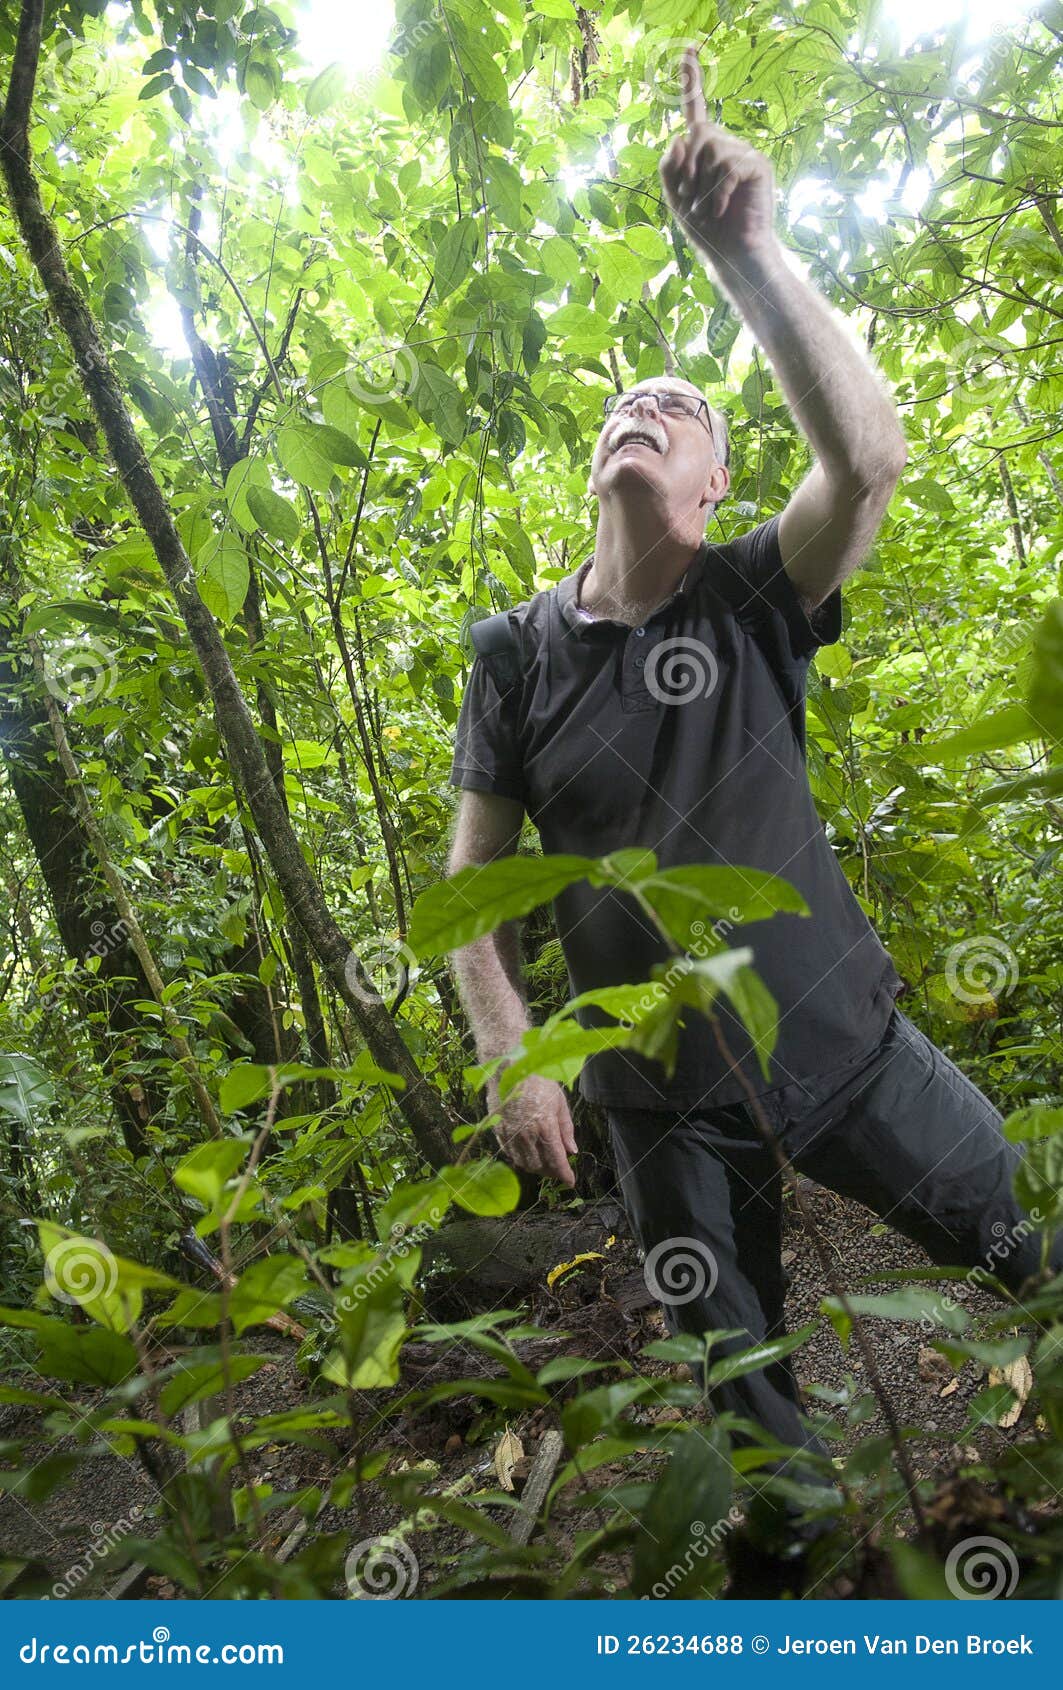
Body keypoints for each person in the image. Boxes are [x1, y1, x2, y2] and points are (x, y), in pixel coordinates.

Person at [444, 44, 1062, 1566]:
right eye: (629, 403)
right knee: (754, 1426)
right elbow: (471, 907)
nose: (646, 408)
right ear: (600, 469)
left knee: (1036, 1244)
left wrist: (746, 253)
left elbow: (867, 457)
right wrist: (515, 1059)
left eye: (684, 407)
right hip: (659, 1117)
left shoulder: (749, 599)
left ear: (717, 487)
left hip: (841, 1043)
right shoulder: (512, 656)